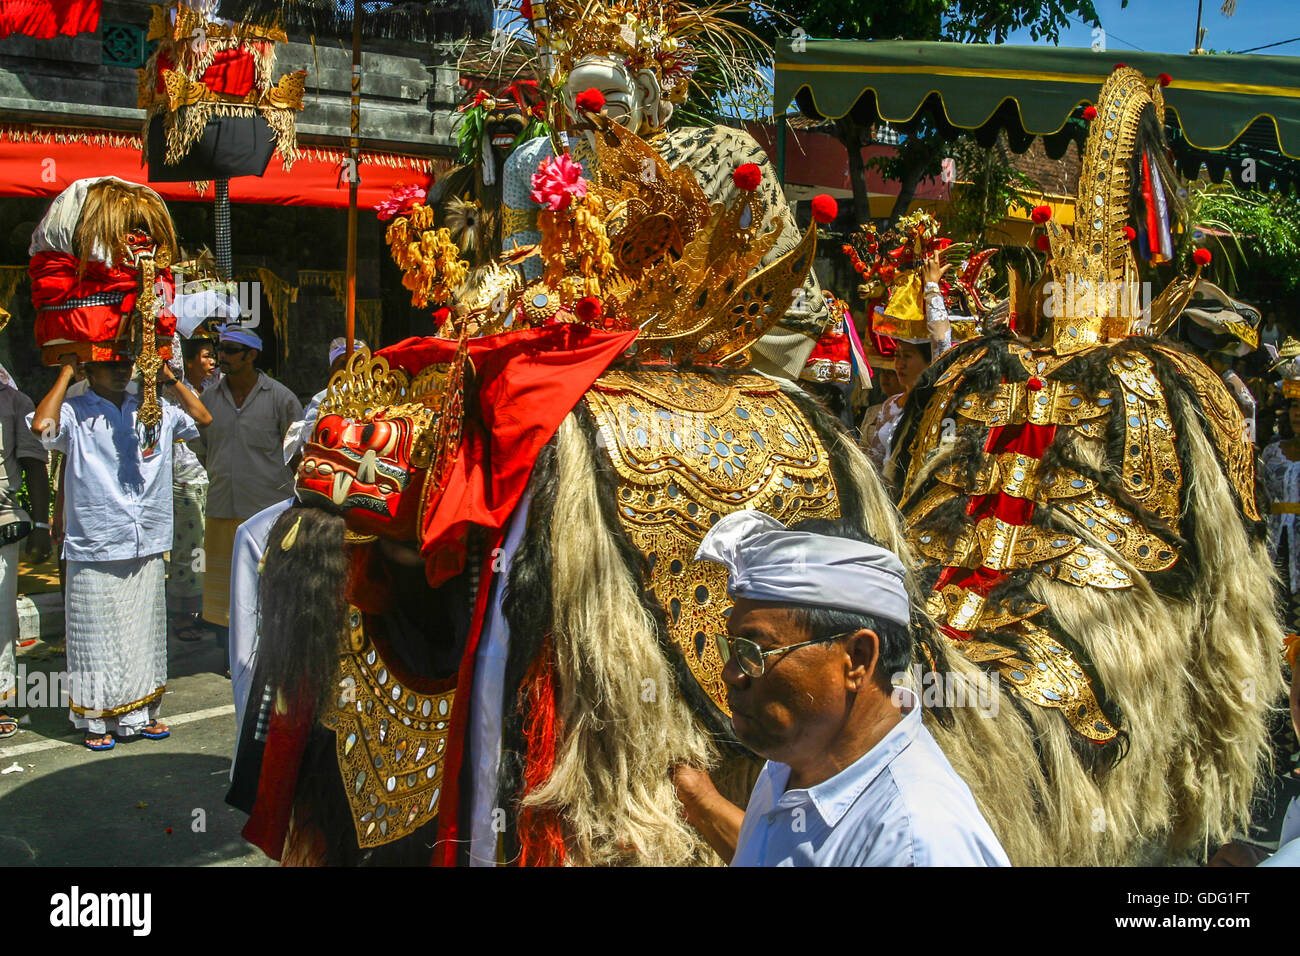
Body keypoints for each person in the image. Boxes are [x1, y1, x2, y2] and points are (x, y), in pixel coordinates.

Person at [672, 511, 1010, 867]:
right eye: (733, 649)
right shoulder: (790, 766)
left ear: (858, 659)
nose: (731, 674)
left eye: (755, 652)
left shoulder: (918, 844)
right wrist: (701, 802)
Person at [28, 353, 211, 750]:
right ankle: (96, 721)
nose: (119, 370)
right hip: (95, 541)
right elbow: (42, 427)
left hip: (145, 539)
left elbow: (203, 418)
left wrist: (169, 379)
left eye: (124, 363)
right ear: (89, 371)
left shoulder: (152, 408)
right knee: (95, 636)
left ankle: (141, 714)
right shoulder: (75, 411)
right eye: (108, 364)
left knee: (140, 634)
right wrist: (64, 373)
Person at [199, 325, 302, 633]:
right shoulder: (209, 398)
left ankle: (266, 648)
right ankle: (231, 652)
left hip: (265, 510)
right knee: (226, 588)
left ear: (251, 355)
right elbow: (200, 448)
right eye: (221, 349)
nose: (222, 356)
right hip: (222, 504)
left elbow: (296, 453)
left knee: (265, 583)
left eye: (231, 351)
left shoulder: (281, 398)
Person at [859, 254, 951, 475]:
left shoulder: (933, 402)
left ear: (931, 361)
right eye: (898, 355)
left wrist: (931, 288)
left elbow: (940, 340)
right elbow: (874, 464)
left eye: (908, 356)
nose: (899, 364)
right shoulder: (889, 406)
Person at [0, 364, 51, 738]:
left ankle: (0, 699)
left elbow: (34, 466)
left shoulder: (16, 402)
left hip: (2, 520)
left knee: (1, 618)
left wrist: (40, 526)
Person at [168, 338, 217, 641]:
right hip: (184, 474)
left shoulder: (210, 390)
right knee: (188, 548)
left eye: (214, 356)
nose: (213, 361)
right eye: (206, 356)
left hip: (207, 473)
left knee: (204, 547)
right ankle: (182, 613)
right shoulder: (174, 390)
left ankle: (201, 608)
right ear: (189, 360)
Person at [281, 336, 365, 467]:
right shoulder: (320, 402)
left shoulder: (382, 398)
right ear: (332, 371)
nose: (351, 371)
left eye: (359, 364)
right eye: (343, 364)